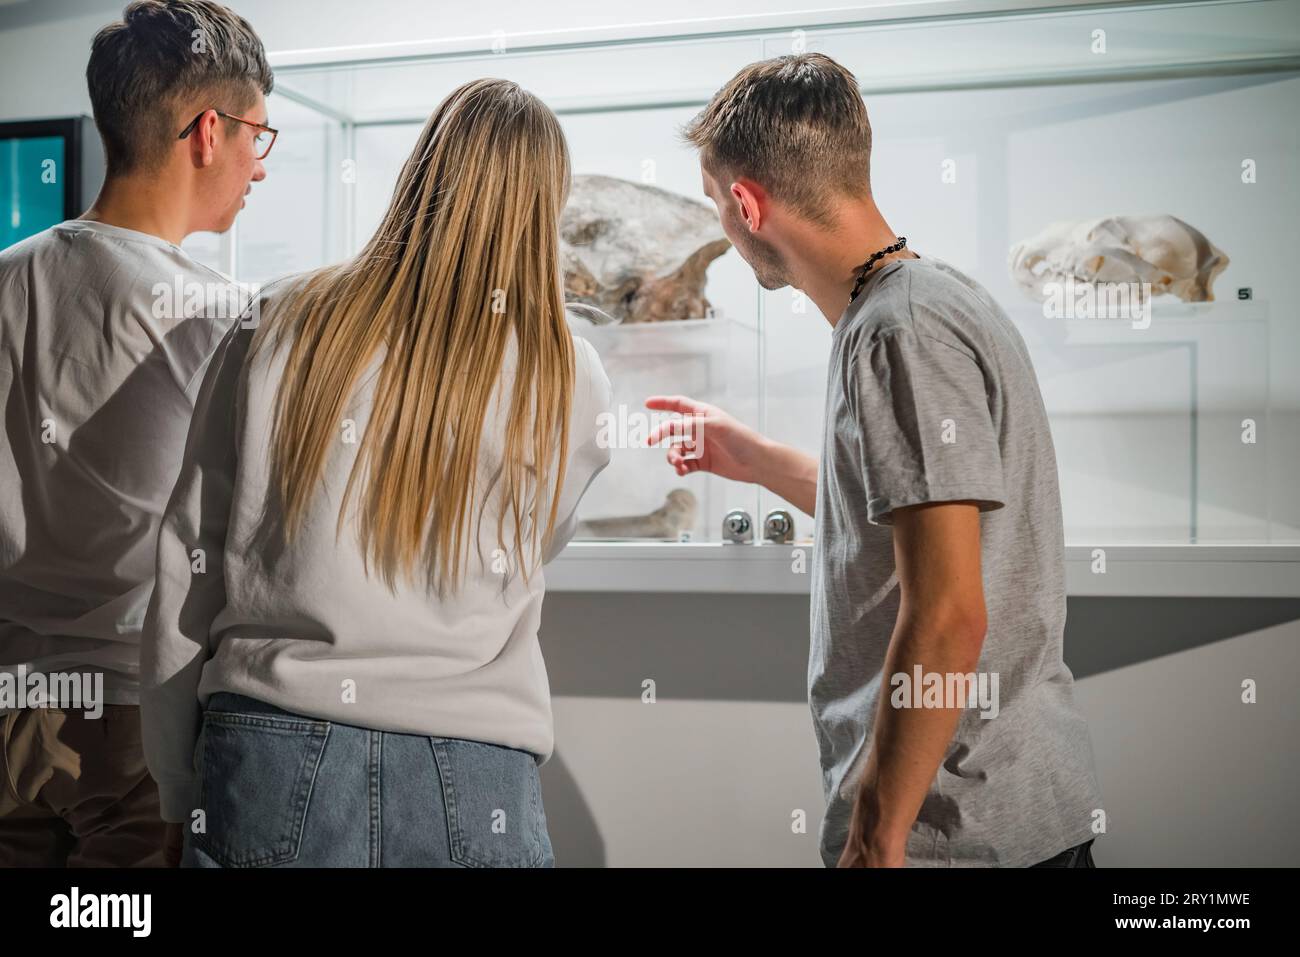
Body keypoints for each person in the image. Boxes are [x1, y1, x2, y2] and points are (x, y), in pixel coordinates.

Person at [139, 77, 613, 868]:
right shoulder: (568, 374)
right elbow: (536, 539)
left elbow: (188, 563)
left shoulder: (278, 318)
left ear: (421, 172)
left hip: (268, 753)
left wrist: (175, 784)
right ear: (545, 207)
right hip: (474, 772)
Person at [650, 52, 1102, 867]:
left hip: (956, 834)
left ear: (748, 204)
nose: (723, 220)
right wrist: (753, 460)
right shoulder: (931, 300)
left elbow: (949, 611)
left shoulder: (899, 332)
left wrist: (877, 830)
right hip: (996, 820)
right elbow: (918, 520)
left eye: (717, 202)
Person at [0, 0, 272, 867]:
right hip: (126, 721)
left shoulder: (8, 279)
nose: (257, 170)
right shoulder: (223, 317)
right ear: (206, 130)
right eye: (256, 139)